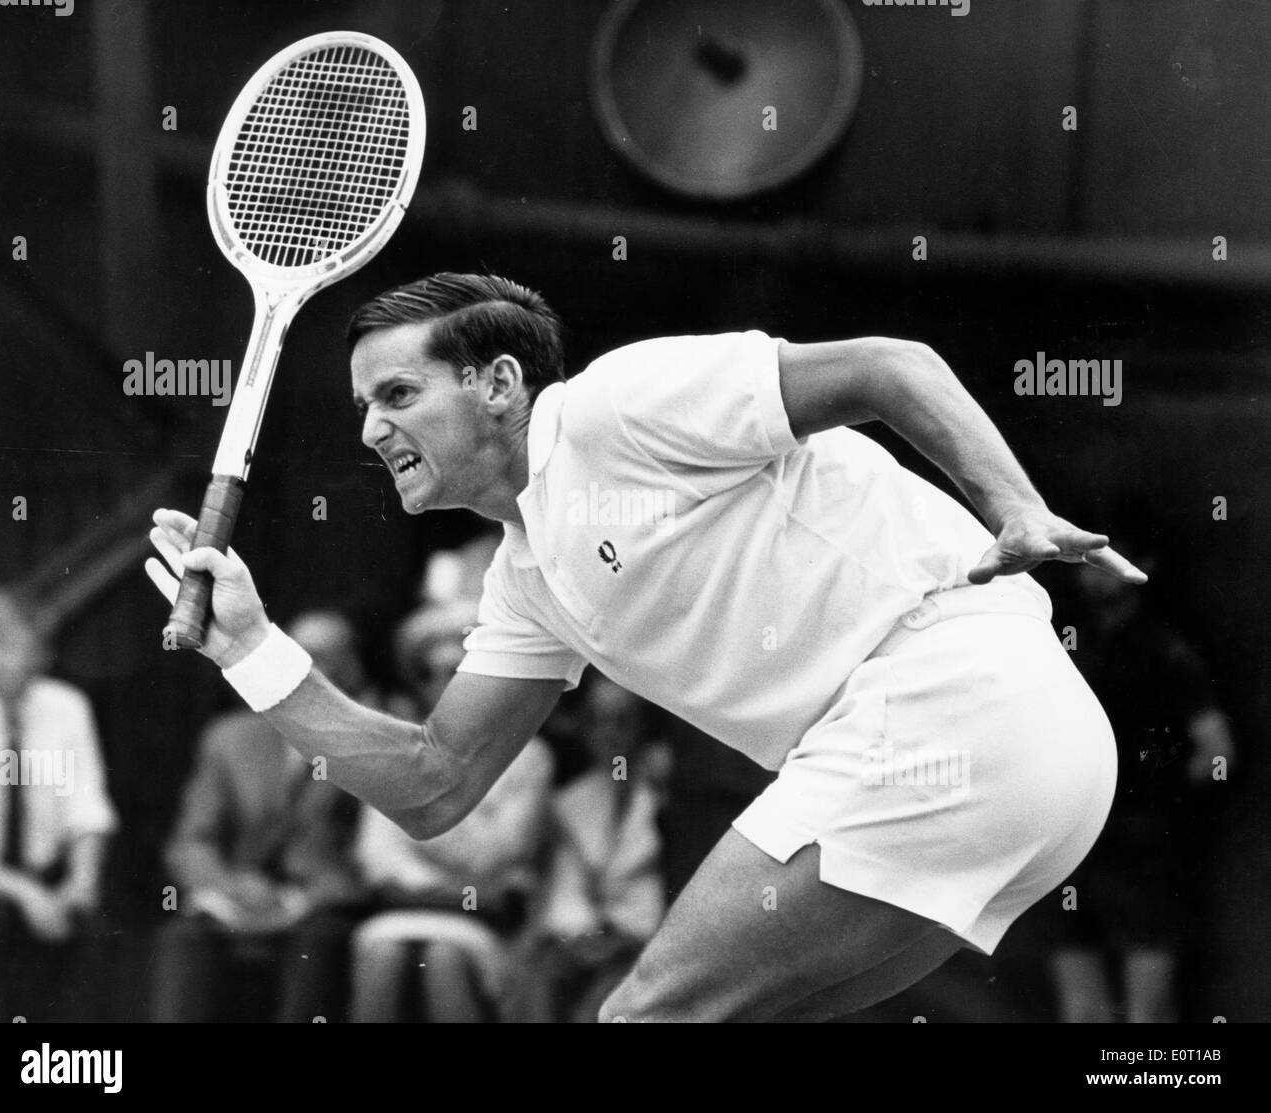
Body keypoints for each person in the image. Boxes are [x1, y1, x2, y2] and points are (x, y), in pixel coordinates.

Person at [146, 272, 1147, 1022]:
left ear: (498, 383)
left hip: (952, 696)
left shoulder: (616, 407)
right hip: (1042, 769)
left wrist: (1013, 508)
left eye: (399, 395)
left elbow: (891, 368)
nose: (370, 430)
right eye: (364, 405)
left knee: (642, 1018)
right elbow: (434, 783)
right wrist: (251, 649)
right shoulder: (525, 581)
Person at [1047, 543, 1234, 1023]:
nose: (1094, 577)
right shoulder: (1066, 644)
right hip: (1073, 848)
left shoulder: (1167, 652)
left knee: (1146, 1016)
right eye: (1087, 565)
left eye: (1109, 563)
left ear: (1144, 566)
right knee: (1081, 1011)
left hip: (1143, 851)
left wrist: (1158, 793)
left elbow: (1218, 753)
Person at [150, 610, 366, 1022]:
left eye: (323, 657)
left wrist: (302, 899)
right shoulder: (230, 739)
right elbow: (191, 841)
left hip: (320, 905)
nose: (307, 668)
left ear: (350, 667)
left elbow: (368, 854)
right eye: (296, 654)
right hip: (238, 894)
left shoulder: (370, 738)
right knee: (183, 938)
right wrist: (232, 886)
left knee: (319, 941)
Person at [348, 599, 552, 1022]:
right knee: (382, 957)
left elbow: (500, 854)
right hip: (411, 909)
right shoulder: (398, 746)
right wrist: (441, 881)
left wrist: (421, 806)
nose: (444, 686)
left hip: (487, 920)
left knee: (444, 960)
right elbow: (375, 856)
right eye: (431, 673)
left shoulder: (528, 755)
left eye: (458, 672)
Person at [0, 588, 118, 1022]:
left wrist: (82, 880)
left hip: (47, 871)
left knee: (89, 924)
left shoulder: (67, 706)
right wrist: (28, 895)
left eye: (22, 648)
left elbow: (87, 806)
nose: (2, 660)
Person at [511, 673, 669, 1023]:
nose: (609, 734)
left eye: (622, 722)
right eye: (598, 722)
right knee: (540, 976)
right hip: (586, 941)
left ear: (642, 729)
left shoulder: (663, 801)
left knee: (607, 997)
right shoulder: (569, 803)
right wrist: (583, 935)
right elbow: (565, 893)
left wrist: (623, 936)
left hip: (645, 941)